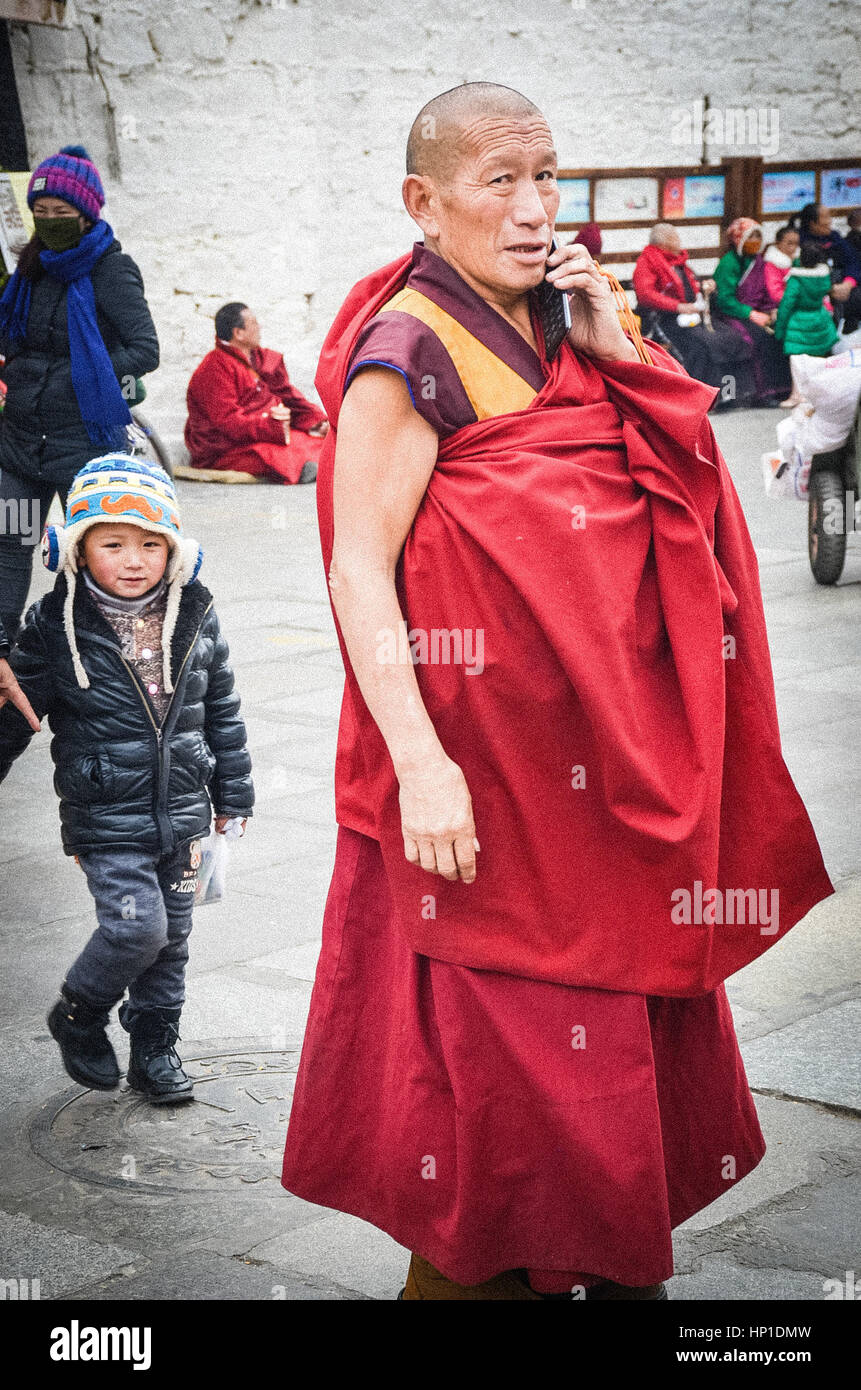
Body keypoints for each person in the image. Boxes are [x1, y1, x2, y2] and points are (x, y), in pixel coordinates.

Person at [281, 82, 833, 1300]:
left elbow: (672, 497)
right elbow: (357, 569)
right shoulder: (409, 351)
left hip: (594, 799)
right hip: (481, 807)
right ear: (424, 203)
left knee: (601, 1099)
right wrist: (421, 766)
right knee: (490, 1129)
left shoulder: (555, 318)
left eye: (550, 178)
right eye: (502, 182)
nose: (536, 211)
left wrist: (618, 353)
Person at [0, 456, 254, 1103]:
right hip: (106, 815)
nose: (134, 558)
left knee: (173, 942)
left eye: (150, 543)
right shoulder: (55, 625)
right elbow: (17, 713)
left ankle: (155, 1047)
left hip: (184, 814)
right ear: (78, 549)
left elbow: (219, 708)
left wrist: (233, 792)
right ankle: (79, 1013)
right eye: (112, 543)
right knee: (137, 930)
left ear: (175, 549)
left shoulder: (196, 613)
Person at [0, 145, 159, 646]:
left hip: (85, 447)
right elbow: (14, 339)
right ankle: (4, 652)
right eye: (40, 212)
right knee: (10, 540)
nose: (49, 222)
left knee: (91, 551)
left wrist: (84, 374)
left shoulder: (111, 271)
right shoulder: (31, 269)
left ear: (87, 214)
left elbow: (145, 349)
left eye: (61, 214)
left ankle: (86, 653)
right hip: (21, 443)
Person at [184, 303, 329, 484]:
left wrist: (317, 422)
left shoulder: (260, 360)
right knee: (279, 454)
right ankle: (308, 467)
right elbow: (227, 421)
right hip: (228, 448)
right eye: (253, 323)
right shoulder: (214, 368)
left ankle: (315, 464)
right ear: (239, 333)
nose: (259, 327)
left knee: (318, 442)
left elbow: (287, 395)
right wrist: (270, 426)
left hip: (265, 434)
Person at [632, 223, 741, 394]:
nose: (679, 240)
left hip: (693, 315)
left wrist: (705, 287)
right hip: (665, 319)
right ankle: (702, 394)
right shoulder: (647, 262)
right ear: (664, 242)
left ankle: (730, 393)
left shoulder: (678, 261)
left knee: (730, 337)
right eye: (675, 236)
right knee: (701, 345)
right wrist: (678, 307)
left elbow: (691, 286)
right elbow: (646, 295)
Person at [712, 218, 792, 403]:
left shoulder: (758, 261)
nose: (755, 240)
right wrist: (751, 313)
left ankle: (783, 389)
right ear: (738, 238)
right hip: (732, 313)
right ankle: (762, 393)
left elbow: (764, 292)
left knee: (779, 333)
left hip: (759, 312)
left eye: (758, 236)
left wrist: (771, 310)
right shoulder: (729, 263)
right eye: (751, 236)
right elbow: (724, 299)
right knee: (757, 339)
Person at [774, 243, 840, 407]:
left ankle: (797, 394)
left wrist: (779, 329)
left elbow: (787, 304)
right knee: (818, 359)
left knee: (797, 362)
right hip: (820, 317)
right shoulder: (823, 276)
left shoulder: (797, 279)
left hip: (800, 320)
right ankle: (817, 394)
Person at [792, 202, 861, 334]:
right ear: (813, 223)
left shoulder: (834, 237)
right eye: (826, 217)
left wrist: (848, 283)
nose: (830, 221)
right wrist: (829, 289)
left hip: (843, 287)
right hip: (817, 291)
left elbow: (853, 261)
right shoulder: (799, 240)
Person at [762, 225, 800, 306]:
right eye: (789, 243)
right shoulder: (772, 265)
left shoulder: (799, 260)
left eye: (796, 244)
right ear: (777, 243)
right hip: (786, 305)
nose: (793, 248)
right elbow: (775, 293)